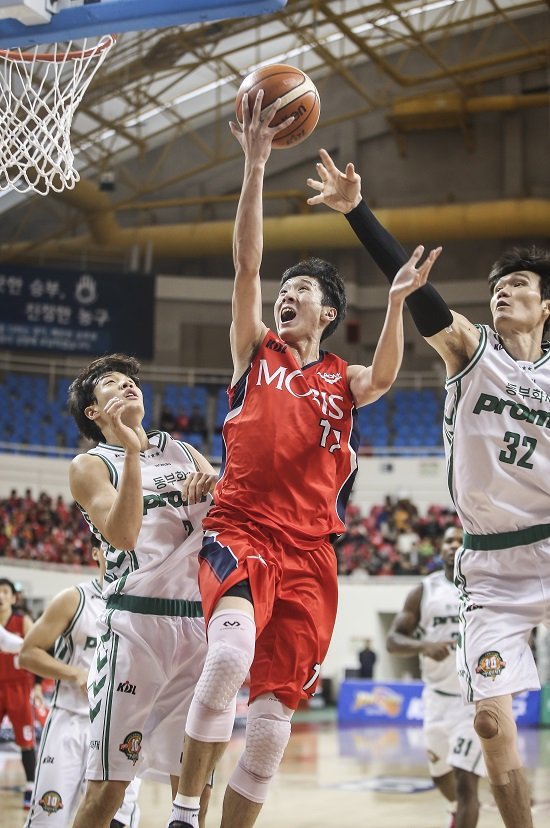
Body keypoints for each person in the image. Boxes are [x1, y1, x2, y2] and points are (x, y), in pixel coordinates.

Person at [166, 90, 441, 828]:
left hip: (312, 552)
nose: (287, 297)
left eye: (303, 292)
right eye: (284, 291)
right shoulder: (254, 351)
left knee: (272, 726)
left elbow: (383, 380)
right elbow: (247, 260)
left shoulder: (343, 380)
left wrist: (394, 304)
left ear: (327, 313)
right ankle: (184, 811)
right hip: (242, 528)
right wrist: (255, 165)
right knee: (224, 662)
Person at [307, 148, 550, 828]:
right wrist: (357, 211)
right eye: (498, 284)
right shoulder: (472, 352)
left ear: (546, 304)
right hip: (493, 569)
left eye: (521, 284)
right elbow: (423, 296)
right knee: (493, 726)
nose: (504, 290)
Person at [65, 353, 218, 828]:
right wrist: (132, 450)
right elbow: (125, 534)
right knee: (108, 789)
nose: (128, 385)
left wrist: (219, 483)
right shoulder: (90, 465)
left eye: (131, 380)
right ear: (94, 411)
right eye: (112, 383)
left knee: (192, 783)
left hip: (198, 625)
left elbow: (231, 514)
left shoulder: (184, 450)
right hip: (136, 627)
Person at [18, 543, 141, 828]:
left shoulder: (141, 604)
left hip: (119, 729)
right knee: (47, 820)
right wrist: (75, 674)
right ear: (96, 553)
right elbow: (28, 653)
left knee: (114, 822)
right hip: (70, 721)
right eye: (106, 545)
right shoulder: (74, 599)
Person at [387, 525, 484, 828]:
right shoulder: (423, 590)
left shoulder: (482, 587)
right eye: (448, 541)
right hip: (436, 699)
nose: (454, 545)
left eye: (460, 540)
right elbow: (393, 640)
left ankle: (467, 808)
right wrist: (424, 646)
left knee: (467, 782)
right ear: (440, 548)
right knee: (440, 775)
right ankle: (457, 807)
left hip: (473, 702)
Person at [0, 576, 38, 810]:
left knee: (25, 740)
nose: (0, 595)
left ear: (13, 597)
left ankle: (31, 787)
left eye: (5, 591)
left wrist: (37, 685)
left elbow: (39, 649)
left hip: (18, 686)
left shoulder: (23, 620)